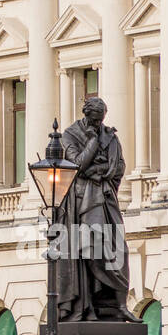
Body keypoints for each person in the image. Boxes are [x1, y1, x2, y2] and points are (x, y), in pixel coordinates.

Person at [58, 97, 139, 323]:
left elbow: (118, 167)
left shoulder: (110, 136)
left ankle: (119, 305)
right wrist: (93, 142)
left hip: (105, 198)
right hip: (84, 202)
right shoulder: (70, 135)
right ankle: (91, 304)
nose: (97, 125)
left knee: (118, 251)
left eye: (100, 121)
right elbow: (77, 165)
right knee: (91, 249)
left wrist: (98, 171)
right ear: (86, 116)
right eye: (94, 121)